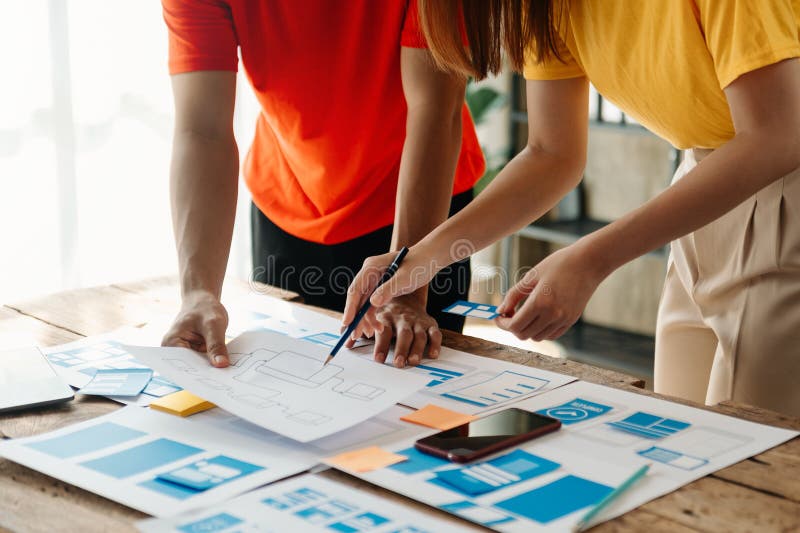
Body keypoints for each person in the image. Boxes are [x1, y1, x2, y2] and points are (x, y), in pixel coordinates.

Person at [344, 0, 800, 416]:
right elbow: (550, 154)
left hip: (783, 190)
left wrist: (590, 259)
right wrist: (417, 260)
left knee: (753, 445)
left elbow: (777, 135)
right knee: (679, 425)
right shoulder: (545, 7)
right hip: (708, 177)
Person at [158, 0, 485, 369]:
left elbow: (434, 112)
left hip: (416, 214)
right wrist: (198, 292)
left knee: (418, 403)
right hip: (287, 206)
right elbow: (202, 130)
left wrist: (406, 281)